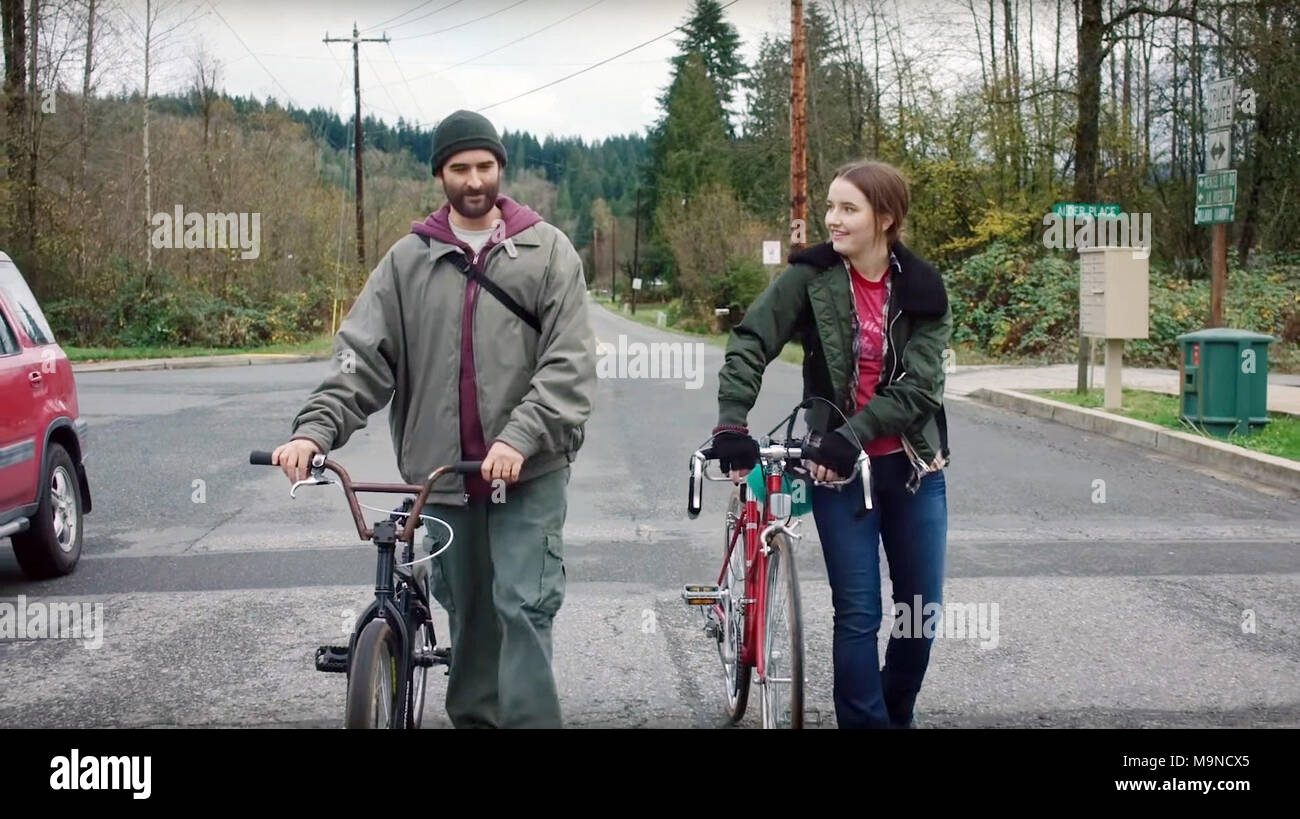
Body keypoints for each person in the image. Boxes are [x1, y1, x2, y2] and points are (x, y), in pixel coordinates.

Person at [272, 109, 596, 728]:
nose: (474, 179)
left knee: (523, 606)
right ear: (441, 175)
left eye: (484, 166)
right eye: (459, 168)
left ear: (499, 169)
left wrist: (519, 437)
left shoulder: (547, 251)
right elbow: (360, 360)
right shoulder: (406, 262)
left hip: (527, 473)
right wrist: (314, 429)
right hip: (445, 480)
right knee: (469, 615)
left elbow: (569, 367)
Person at [708, 159, 951, 729]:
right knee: (859, 613)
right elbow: (750, 340)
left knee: (921, 613)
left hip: (913, 468)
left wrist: (854, 434)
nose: (832, 220)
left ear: (885, 218)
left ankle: (893, 715)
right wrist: (731, 421)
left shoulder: (922, 286)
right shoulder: (809, 278)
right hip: (836, 474)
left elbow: (922, 386)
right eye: (830, 207)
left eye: (848, 209)